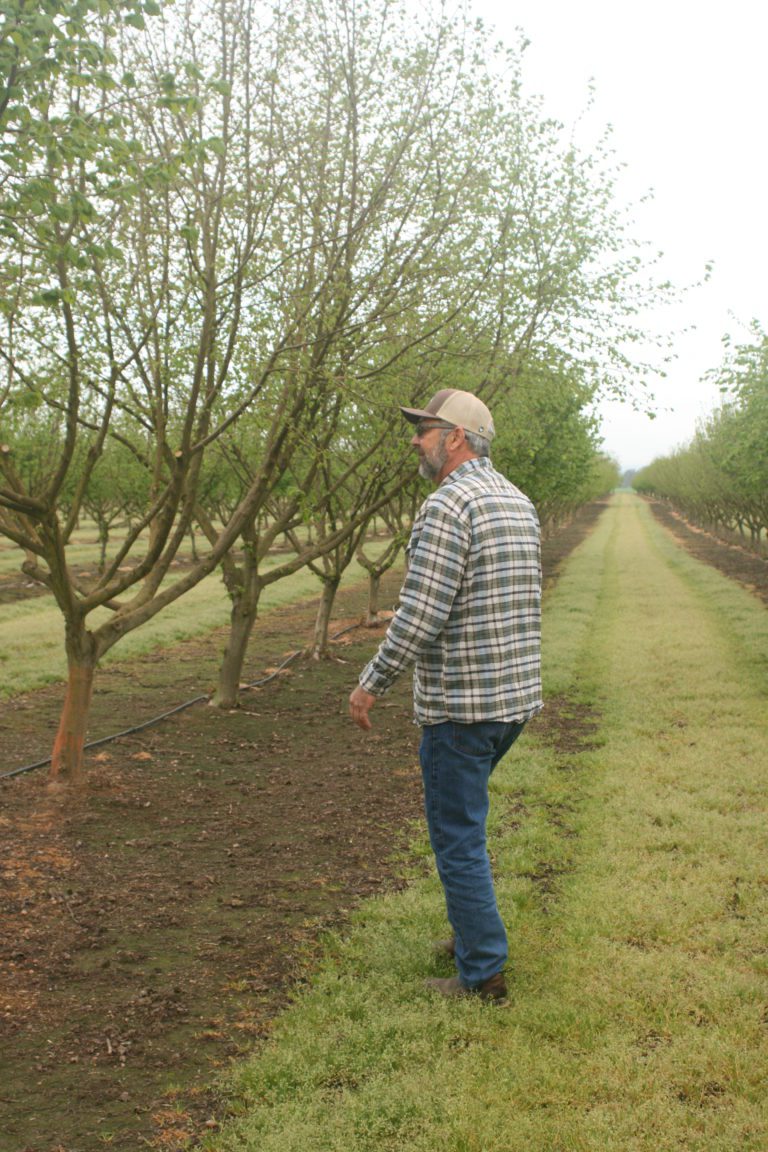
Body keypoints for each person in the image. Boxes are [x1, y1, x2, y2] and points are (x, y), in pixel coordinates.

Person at [348, 388, 542, 1003]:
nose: (415, 439)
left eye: (424, 429)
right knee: (467, 825)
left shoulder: (446, 506)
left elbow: (420, 613)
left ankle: (482, 973)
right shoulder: (515, 501)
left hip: (462, 705)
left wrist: (370, 682)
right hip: (512, 700)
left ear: (456, 437)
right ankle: (471, 934)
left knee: (456, 834)